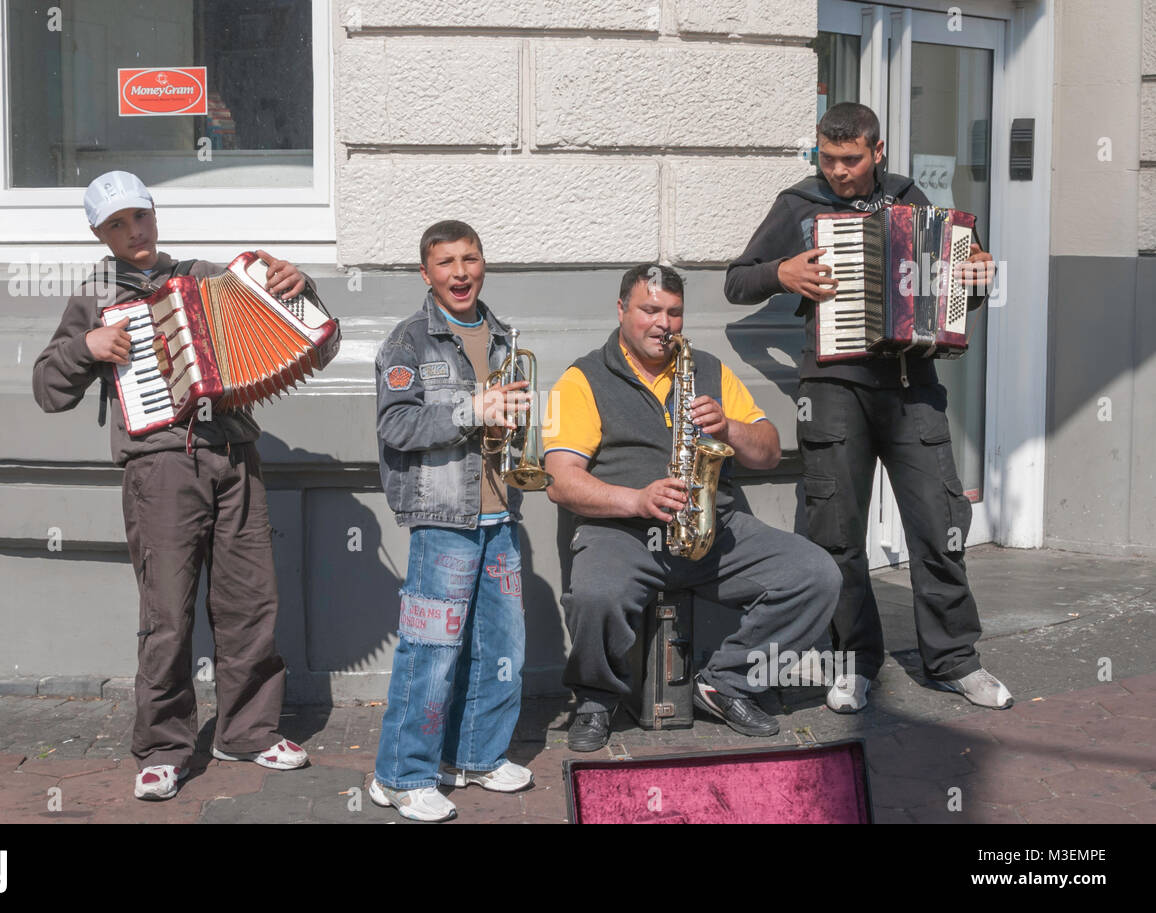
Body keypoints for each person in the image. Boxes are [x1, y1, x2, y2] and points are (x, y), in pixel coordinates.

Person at [724, 102, 1012, 713]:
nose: (838, 172)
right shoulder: (799, 204)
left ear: (877, 153)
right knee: (837, 535)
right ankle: (853, 662)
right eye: (827, 160)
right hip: (833, 390)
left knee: (940, 528)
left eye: (850, 160)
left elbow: (960, 289)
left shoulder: (914, 201)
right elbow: (737, 281)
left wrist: (979, 278)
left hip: (913, 387)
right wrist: (782, 272)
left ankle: (956, 660)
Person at [32, 171, 310, 800]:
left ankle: (247, 731)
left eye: (141, 217)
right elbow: (47, 389)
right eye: (117, 225)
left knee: (251, 604)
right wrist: (87, 347)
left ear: (155, 213)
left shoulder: (209, 274)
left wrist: (298, 282)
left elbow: (295, 314)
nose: (134, 232)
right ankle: (162, 747)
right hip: (158, 467)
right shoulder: (94, 296)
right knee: (167, 615)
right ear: (99, 234)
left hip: (235, 457)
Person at [543, 263, 840, 750]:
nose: (664, 324)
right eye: (650, 310)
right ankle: (596, 699)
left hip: (711, 527)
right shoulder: (583, 378)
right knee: (596, 595)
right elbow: (560, 481)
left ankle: (726, 682)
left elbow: (767, 451)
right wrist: (636, 499)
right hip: (622, 532)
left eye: (675, 313)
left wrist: (729, 428)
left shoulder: (709, 369)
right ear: (622, 310)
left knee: (816, 575)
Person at [369, 220, 534, 822]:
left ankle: (475, 756)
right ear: (426, 273)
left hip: (500, 514)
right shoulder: (408, 341)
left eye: (470, 258)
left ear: (484, 263)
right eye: (445, 263)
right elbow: (396, 427)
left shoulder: (503, 334)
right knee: (431, 652)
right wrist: (472, 408)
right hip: (443, 517)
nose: (460, 272)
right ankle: (401, 774)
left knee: (503, 645)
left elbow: (513, 416)